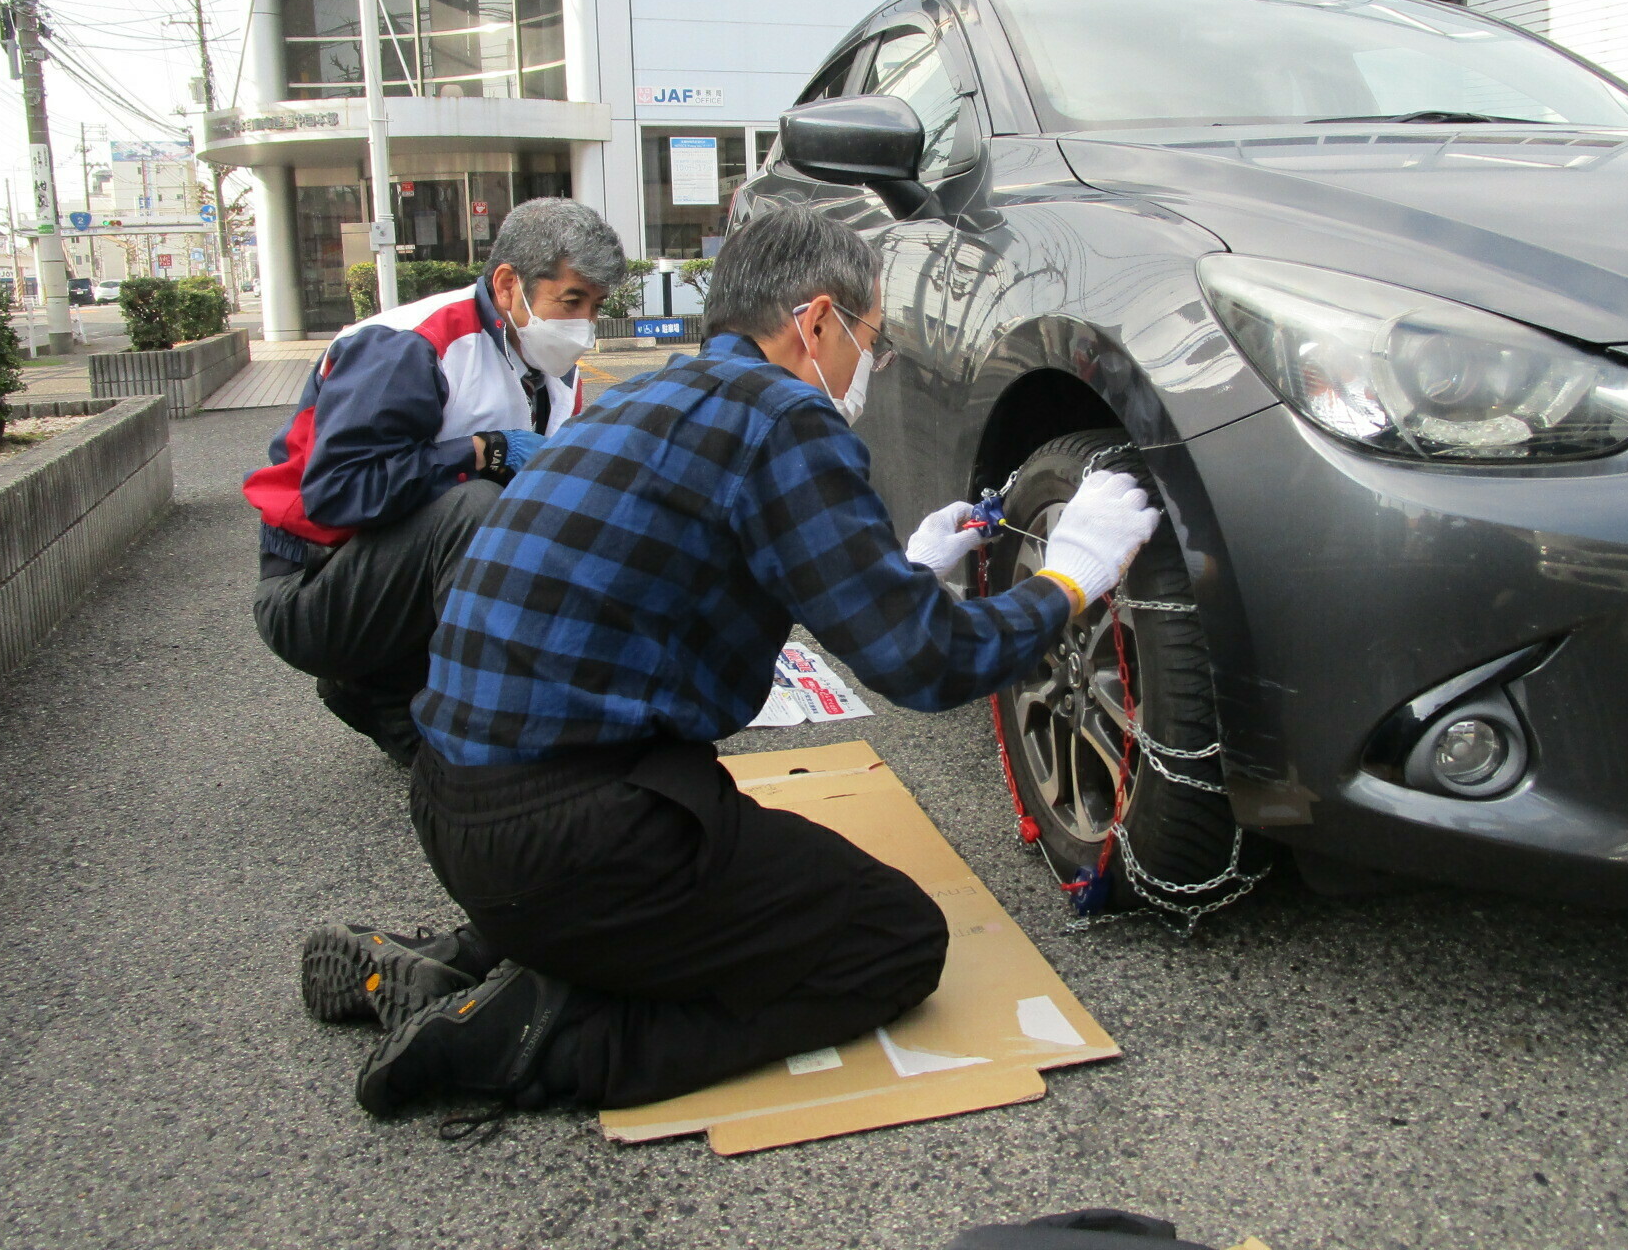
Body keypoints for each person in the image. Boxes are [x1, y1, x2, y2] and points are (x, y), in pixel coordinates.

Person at [302, 204, 1160, 1117]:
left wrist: (900, 569)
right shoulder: (785, 417)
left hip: (456, 808)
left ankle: (463, 965)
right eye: (874, 337)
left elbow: (688, 583)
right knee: (890, 942)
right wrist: (1072, 576)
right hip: (575, 841)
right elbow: (925, 667)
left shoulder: (639, 399)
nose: (875, 364)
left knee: (702, 872)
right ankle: (525, 1040)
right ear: (818, 320)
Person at [245, 198, 623, 767]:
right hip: (313, 589)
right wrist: (483, 451)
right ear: (506, 284)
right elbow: (337, 492)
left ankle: (389, 689)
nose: (581, 326)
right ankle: (484, 723)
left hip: (391, 593)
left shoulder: (552, 367)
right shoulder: (409, 345)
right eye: (570, 301)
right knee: (476, 507)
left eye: (594, 307)